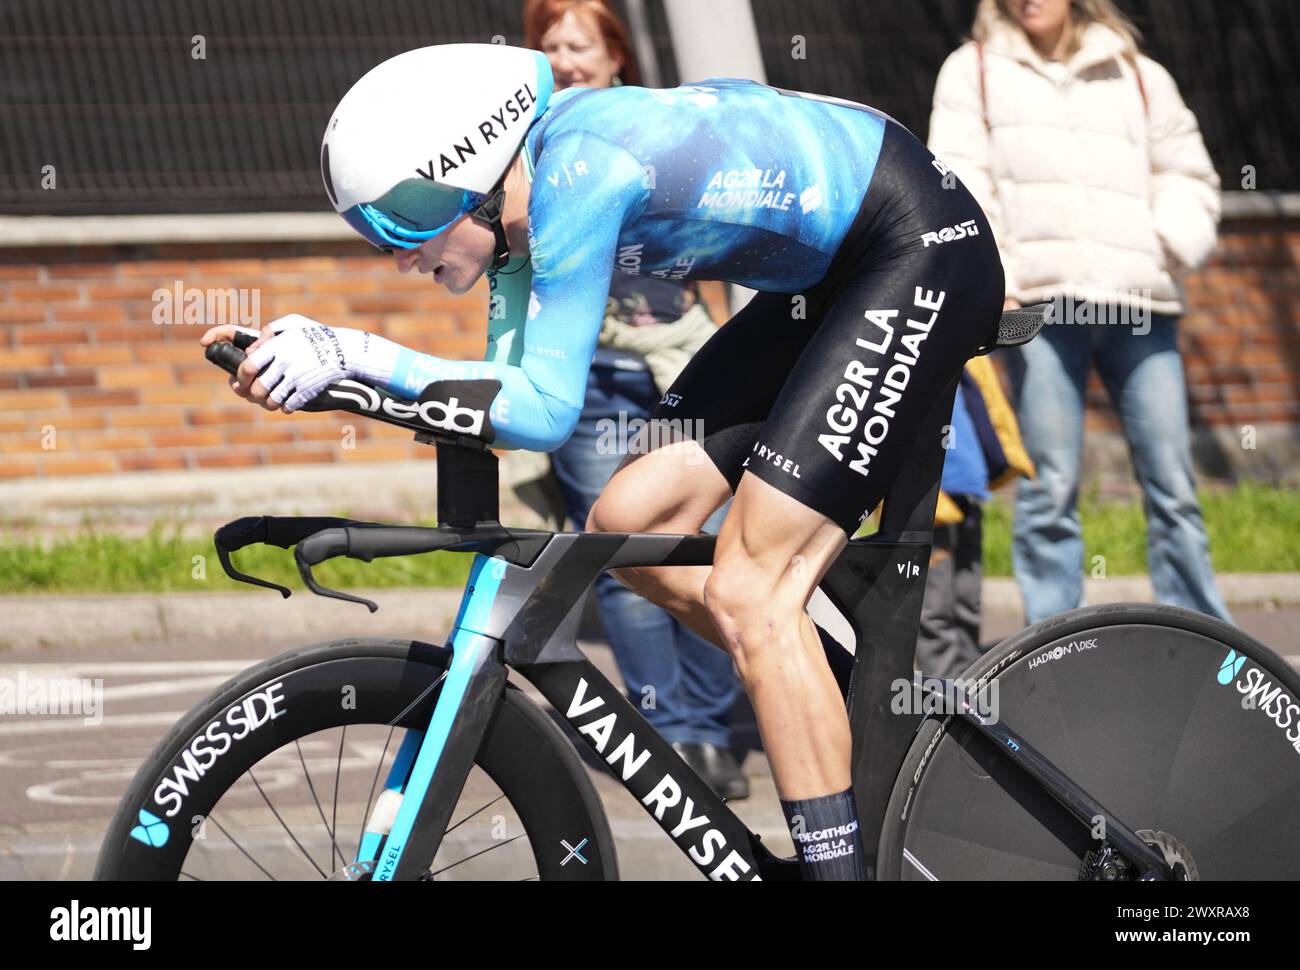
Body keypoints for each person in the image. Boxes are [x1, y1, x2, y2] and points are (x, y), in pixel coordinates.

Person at [202, 43, 1005, 880]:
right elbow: (502, 401)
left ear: (466, 168)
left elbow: (544, 412)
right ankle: (833, 685)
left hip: (918, 251)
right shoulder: (516, 214)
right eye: (371, 232)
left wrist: (352, 351)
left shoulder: (577, 174)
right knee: (630, 526)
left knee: (749, 589)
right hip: (833, 281)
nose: (396, 253)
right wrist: (339, 383)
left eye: (404, 216)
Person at [928, 0, 1231, 626]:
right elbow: (961, 183)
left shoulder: (1137, 74)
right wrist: (999, 281)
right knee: (1050, 486)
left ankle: (1205, 640)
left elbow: (1187, 173)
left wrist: (1167, 240)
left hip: (1139, 303)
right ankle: (1052, 645)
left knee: (1173, 484)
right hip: (1040, 307)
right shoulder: (973, 69)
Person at [518, 0, 747, 800]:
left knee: (701, 542)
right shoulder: (534, 149)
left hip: (682, 363)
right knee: (618, 556)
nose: (566, 60)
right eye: (550, 50)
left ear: (616, 55)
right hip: (596, 374)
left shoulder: (655, 126)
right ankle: (667, 730)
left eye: (579, 45)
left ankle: (716, 733)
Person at [915, 356, 1033, 679]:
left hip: (965, 487)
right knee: (934, 609)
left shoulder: (965, 345)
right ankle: (941, 699)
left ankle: (969, 686)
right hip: (922, 498)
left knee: (967, 601)